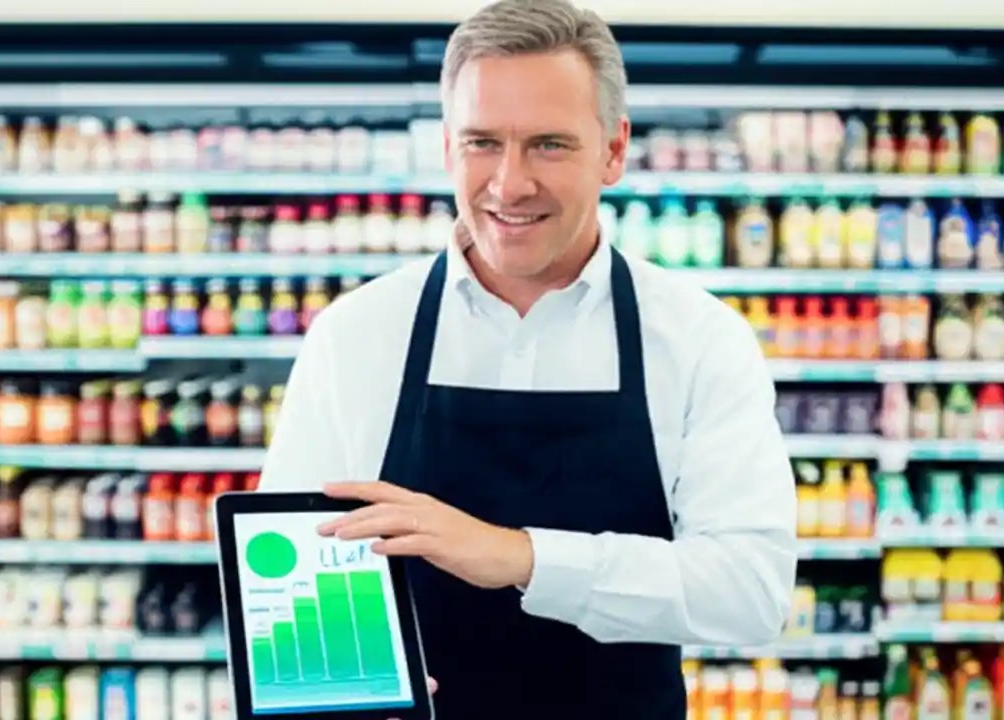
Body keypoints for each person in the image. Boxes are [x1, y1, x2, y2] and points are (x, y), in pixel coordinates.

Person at [260, 0, 797, 716]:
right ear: (448, 147)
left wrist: (521, 557)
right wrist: (335, 688)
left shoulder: (699, 339)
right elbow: (284, 566)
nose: (509, 184)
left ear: (613, 150)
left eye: (549, 144)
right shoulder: (356, 334)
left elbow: (751, 592)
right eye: (483, 142)